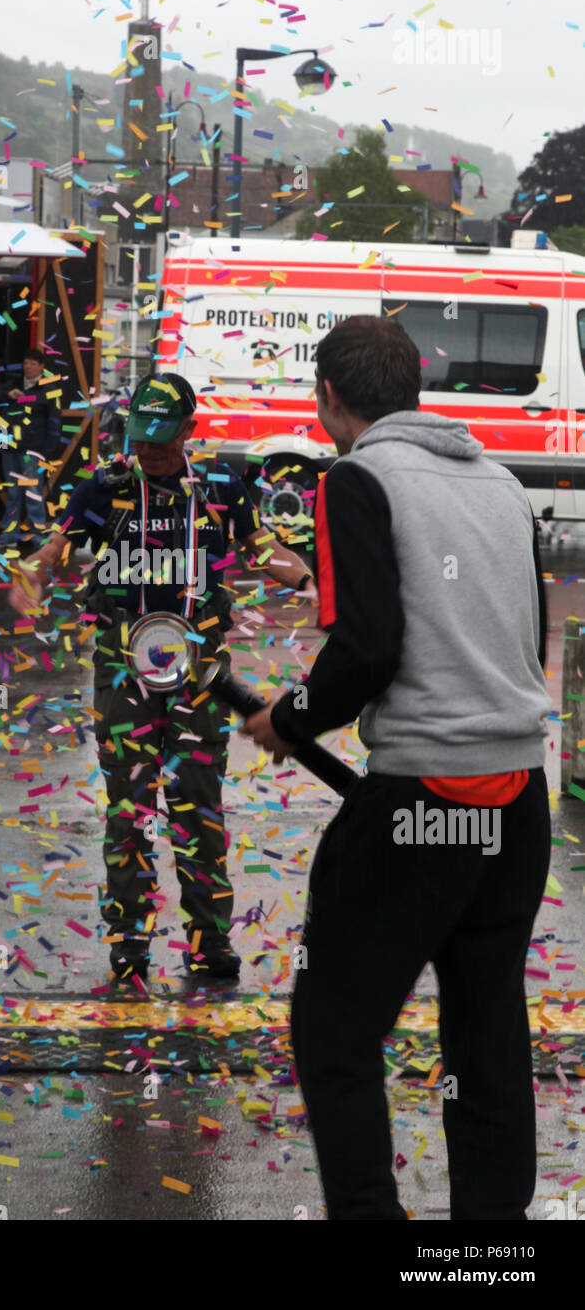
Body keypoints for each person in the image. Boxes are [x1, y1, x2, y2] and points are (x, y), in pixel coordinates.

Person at [243, 315, 551, 1221]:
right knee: (486, 1036)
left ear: (329, 397)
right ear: (415, 388)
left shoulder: (357, 476)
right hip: (514, 804)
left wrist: (288, 718)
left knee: (335, 1032)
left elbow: (369, 649)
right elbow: (513, 636)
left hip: (421, 804)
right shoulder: (498, 482)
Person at [9, 372, 317, 982]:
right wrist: (32, 578)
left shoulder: (223, 487)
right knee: (129, 810)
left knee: (197, 808)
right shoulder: (105, 488)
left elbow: (261, 550)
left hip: (199, 672)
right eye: (140, 437)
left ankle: (209, 941)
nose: (149, 450)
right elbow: (55, 551)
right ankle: (129, 941)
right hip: (122, 673)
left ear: (189, 430)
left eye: (162, 437)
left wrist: (309, 581)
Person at [0, 347, 63, 549]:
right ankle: (9, 533)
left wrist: (49, 451)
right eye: (26, 363)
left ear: (42, 367)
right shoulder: (13, 383)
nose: (28, 367)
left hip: (33, 449)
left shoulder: (49, 388)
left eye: (33, 364)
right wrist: (8, 394)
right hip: (7, 445)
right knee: (12, 492)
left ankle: (38, 534)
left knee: (33, 491)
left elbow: (55, 421)